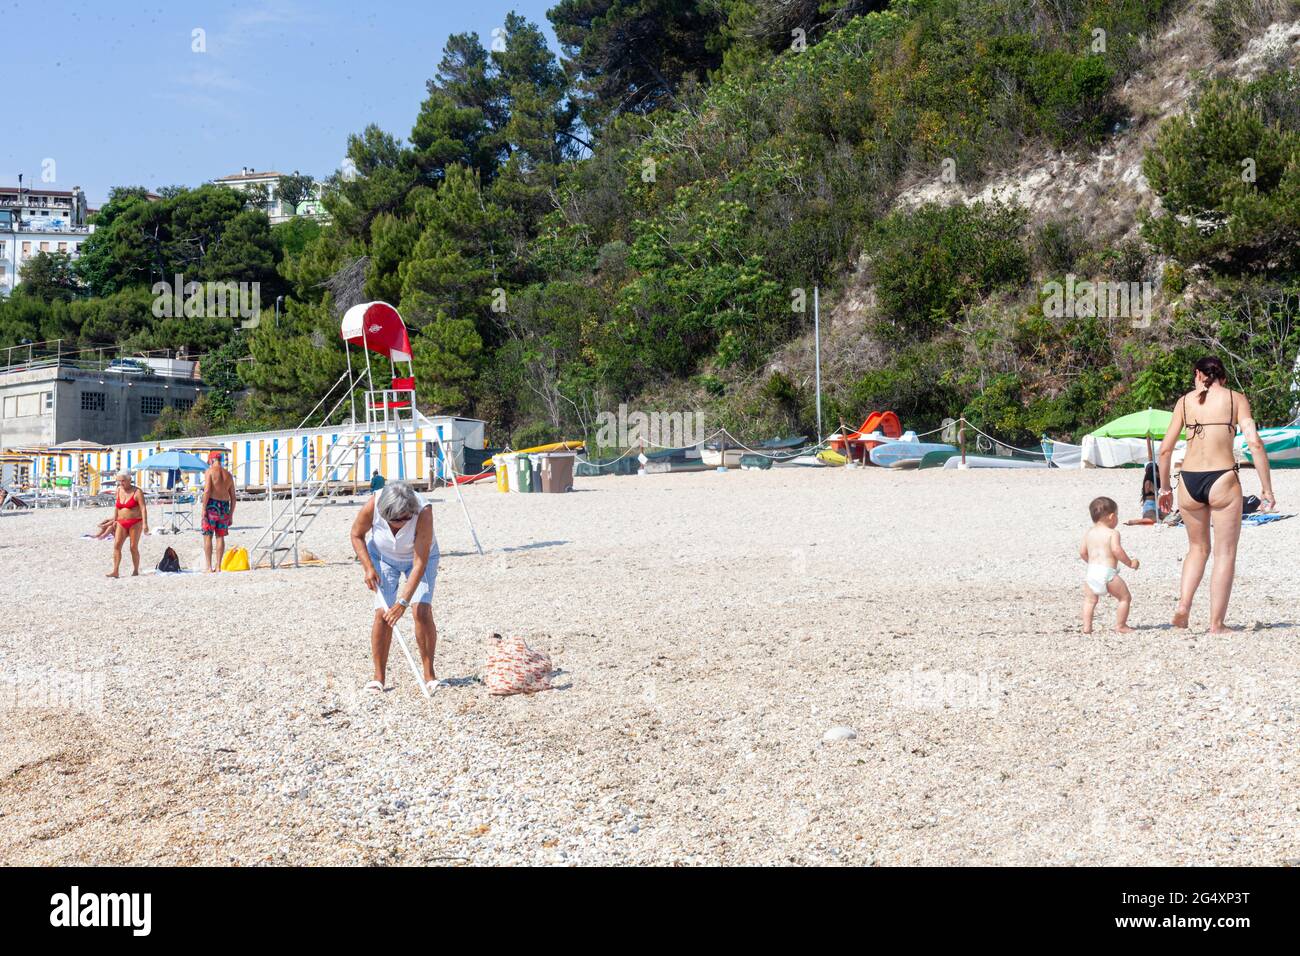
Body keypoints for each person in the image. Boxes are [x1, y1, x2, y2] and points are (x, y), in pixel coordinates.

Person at [1157, 356, 1276, 633]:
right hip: (1222, 477)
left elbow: (1164, 450)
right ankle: (1216, 624)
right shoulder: (1236, 399)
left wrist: (1164, 489)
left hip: (1188, 480)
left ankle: (1183, 607)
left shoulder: (1184, 402)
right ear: (1223, 376)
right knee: (1225, 553)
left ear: (1198, 374)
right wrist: (1267, 488)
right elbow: (1254, 443)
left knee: (1197, 549)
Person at [349, 481, 441, 693]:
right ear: (384, 513)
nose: (401, 523)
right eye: (395, 520)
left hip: (419, 559)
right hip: (383, 558)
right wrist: (368, 567)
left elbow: (419, 563)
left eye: (406, 519)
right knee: (382, 613)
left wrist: (403, 602)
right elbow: (356, 534)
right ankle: (378, 678)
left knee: (421, 610)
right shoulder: (373, 505)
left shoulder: (423, 511)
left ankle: (430, 675)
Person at [1079, 496, 1139, 634]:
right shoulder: (1113, 533)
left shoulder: (1089, 533)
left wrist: (1092, 563)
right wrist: (1130, 563)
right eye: (1117, 515)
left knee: (1089, 601)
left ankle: (1087, 627)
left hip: (1092, 572)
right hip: (1107, 573)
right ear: (1112, 517)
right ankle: (1120, 625)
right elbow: (1117, 550)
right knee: (1125, 598)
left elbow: (1082, 552)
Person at [107, 471, 148, 578]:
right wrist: (115, 520)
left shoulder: (137, 492)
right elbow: (117, 506)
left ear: (130, 480)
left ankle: (135, 570)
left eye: (123, 481)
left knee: (133, 547)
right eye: (119, 481)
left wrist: (145, 524)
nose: (121, 483)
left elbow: (143, 508)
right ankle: (115, 571)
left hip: (135, 522)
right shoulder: (119, 490)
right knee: (116, 546)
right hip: (121, 522)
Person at [201, 451, 236, 572]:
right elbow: (233, 497)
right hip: (225, 507)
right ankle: (219, 566)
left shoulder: (210, 472)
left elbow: (207, 491)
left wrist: (203, 508)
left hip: (212, 505)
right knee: (220, 537)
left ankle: (209, 567)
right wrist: (231, 514)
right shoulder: (229, 475)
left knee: (207, 536)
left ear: (211, 460)